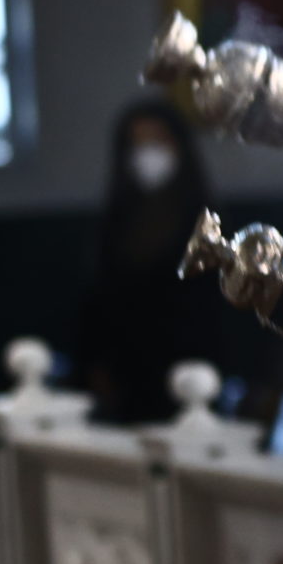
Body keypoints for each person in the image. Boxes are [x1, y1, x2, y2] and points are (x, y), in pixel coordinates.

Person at [76, 98, 224, 423]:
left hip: (193, 380)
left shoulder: (207, 225)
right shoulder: (115, 222)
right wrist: (98, 365)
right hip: (128, 379)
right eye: (138, 143)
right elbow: (100, 300)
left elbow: (214, 310)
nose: (148, 153)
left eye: (157, 140)